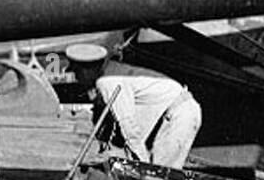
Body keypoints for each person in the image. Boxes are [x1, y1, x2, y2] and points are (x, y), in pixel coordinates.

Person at [64, 42, 202, 169]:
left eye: (77, 72)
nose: (77, 78)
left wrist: (142, 166)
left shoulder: (108, 82)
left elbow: (129, 127)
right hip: (175, 110)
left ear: (87, 70)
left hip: (180, 114)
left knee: (160, 179)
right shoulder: (111, 69)